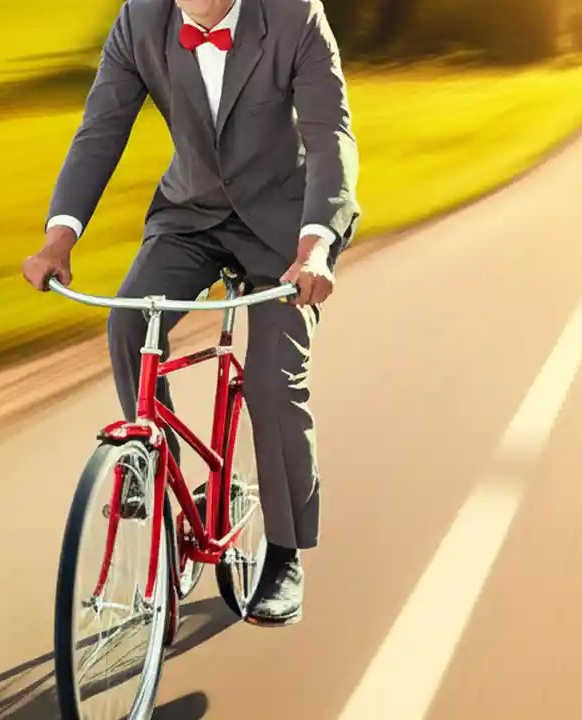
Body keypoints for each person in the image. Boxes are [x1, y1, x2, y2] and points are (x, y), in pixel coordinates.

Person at [21, 0, 360, 627]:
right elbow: (101, 129)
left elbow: (330, 136)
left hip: (286, 232)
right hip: (190, 217)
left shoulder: (295, 16)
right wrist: (59, 238)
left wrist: (316, 245)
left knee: (272, 383)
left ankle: (285, 554)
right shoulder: (140, 20)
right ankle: (157, 466)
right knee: (128, 322)